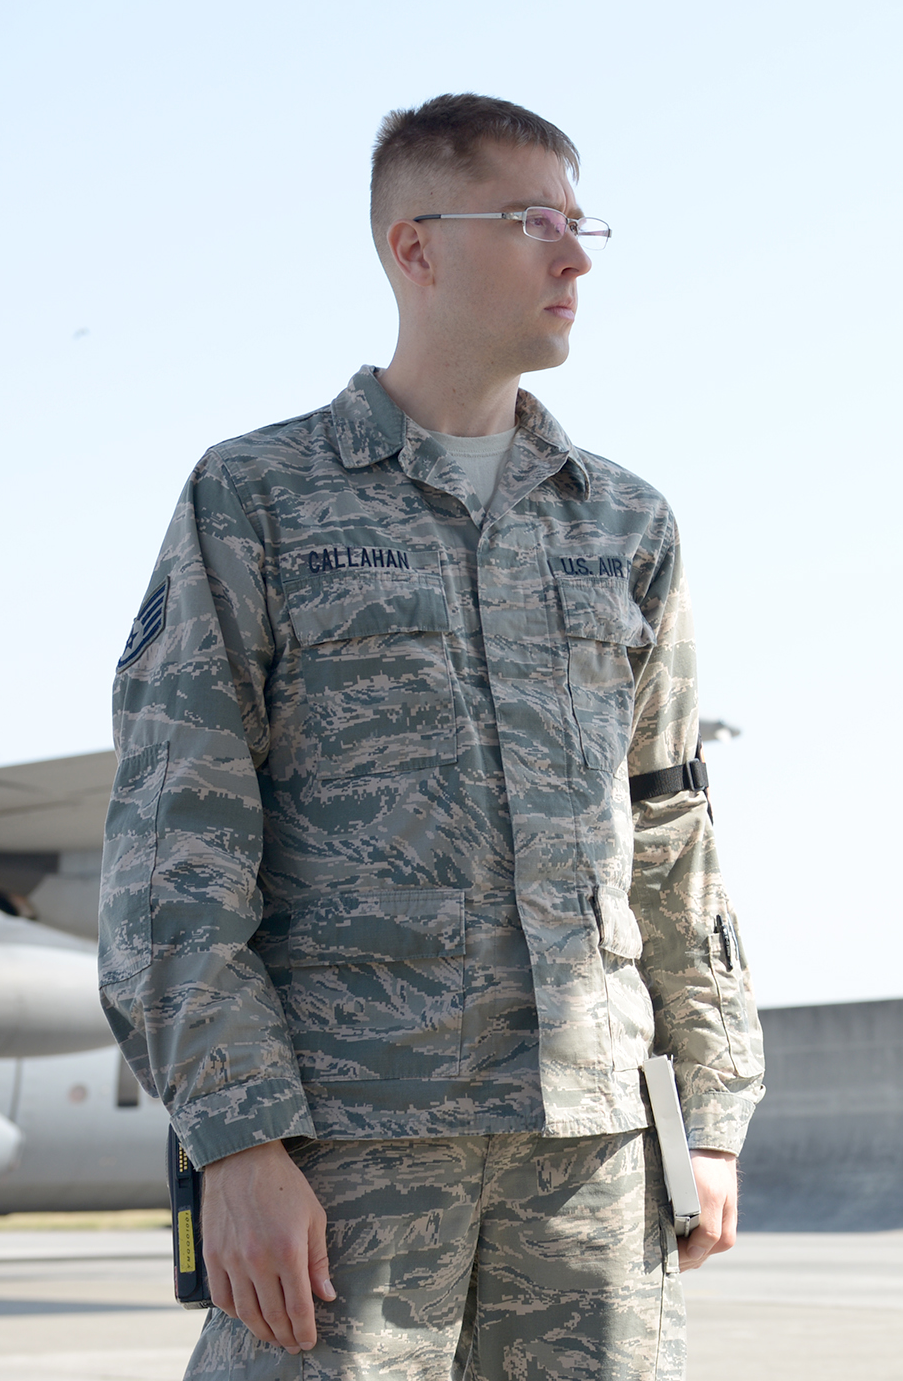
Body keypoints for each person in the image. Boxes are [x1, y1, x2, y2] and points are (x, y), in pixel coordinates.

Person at [101, 93, 764, 1380]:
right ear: (416, 245)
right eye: (535, 223)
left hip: (591, 1158)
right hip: (343, 1155)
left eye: (583, 226)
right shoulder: (257, 498)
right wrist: (238, 1142)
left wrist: (712, 1110)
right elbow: (172, 847)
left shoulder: (623, 524)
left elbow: (671, 823)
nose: (576, 257)